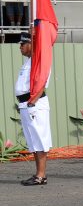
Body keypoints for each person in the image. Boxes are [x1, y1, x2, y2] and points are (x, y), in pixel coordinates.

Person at [15, 32, 52, 185]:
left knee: (40, 139)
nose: (20, 47)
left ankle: (41, 175)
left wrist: (32, 102)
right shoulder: (28, 62)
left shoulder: (39, 60)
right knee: (33, 141)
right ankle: (38, 173)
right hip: (26, 104)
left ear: (31, 44)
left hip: (35, 104)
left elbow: (42, 84)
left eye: (23, 44)